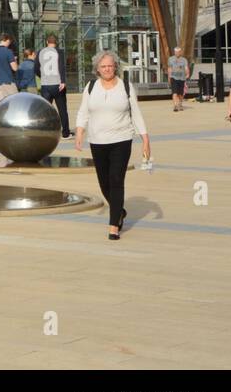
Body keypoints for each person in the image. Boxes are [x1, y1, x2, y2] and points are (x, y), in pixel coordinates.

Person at [75, 50, 150, 240]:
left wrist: (145, 139)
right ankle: (119, 211)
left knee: (116, 180)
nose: (107, 69)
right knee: (104, 183)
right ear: (97, 69)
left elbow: (136, 113)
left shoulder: (125, 86)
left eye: (110, 65)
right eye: (103, 67)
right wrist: (79, 132)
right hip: (97, 141)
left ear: (115, 66)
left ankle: (113, 225)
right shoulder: (91, 86)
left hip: (121, 140)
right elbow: (83, 111)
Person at [38, 34, 71, 138]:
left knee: (45, 109)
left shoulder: (40, 52)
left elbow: (36, 67)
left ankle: (44, 131)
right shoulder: (59, 52)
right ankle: (65, 133)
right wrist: (63, 81)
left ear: (47, 42)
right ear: (56, 43)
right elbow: (61, 66)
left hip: (46, 84)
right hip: (57, 84)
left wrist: (42, 75)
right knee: (62, 109)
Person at [0, 34, 18, 101]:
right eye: (9, 42)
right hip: (8, 82)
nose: (9, 44)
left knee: (1, 105)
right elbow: (15, 68)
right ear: (7, 40)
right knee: (14, 102)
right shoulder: (8, 51)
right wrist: (15, 60)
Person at [168, 46, 190, 112]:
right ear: (174, 52)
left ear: (180, 52)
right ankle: (175, 106)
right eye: (176, 52)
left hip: (182, 78)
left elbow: (186, 68)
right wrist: (169, 77)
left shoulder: (184, 60)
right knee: (174, 92)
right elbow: (169, 68)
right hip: (173, 78)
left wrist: (187, 73)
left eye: (178, 52)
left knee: (180, 94)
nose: (177, 53)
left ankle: (180, 104)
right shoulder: (170, 59)